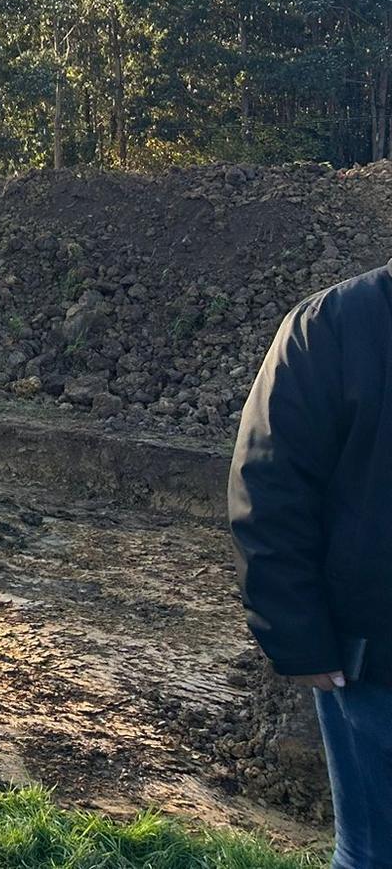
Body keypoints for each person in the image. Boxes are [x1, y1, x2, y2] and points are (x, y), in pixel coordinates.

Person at [229, 266, 392, 867]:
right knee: (374, 851)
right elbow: (270, 487)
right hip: (376, 666)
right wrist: (300, 638)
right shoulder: (333, 326)